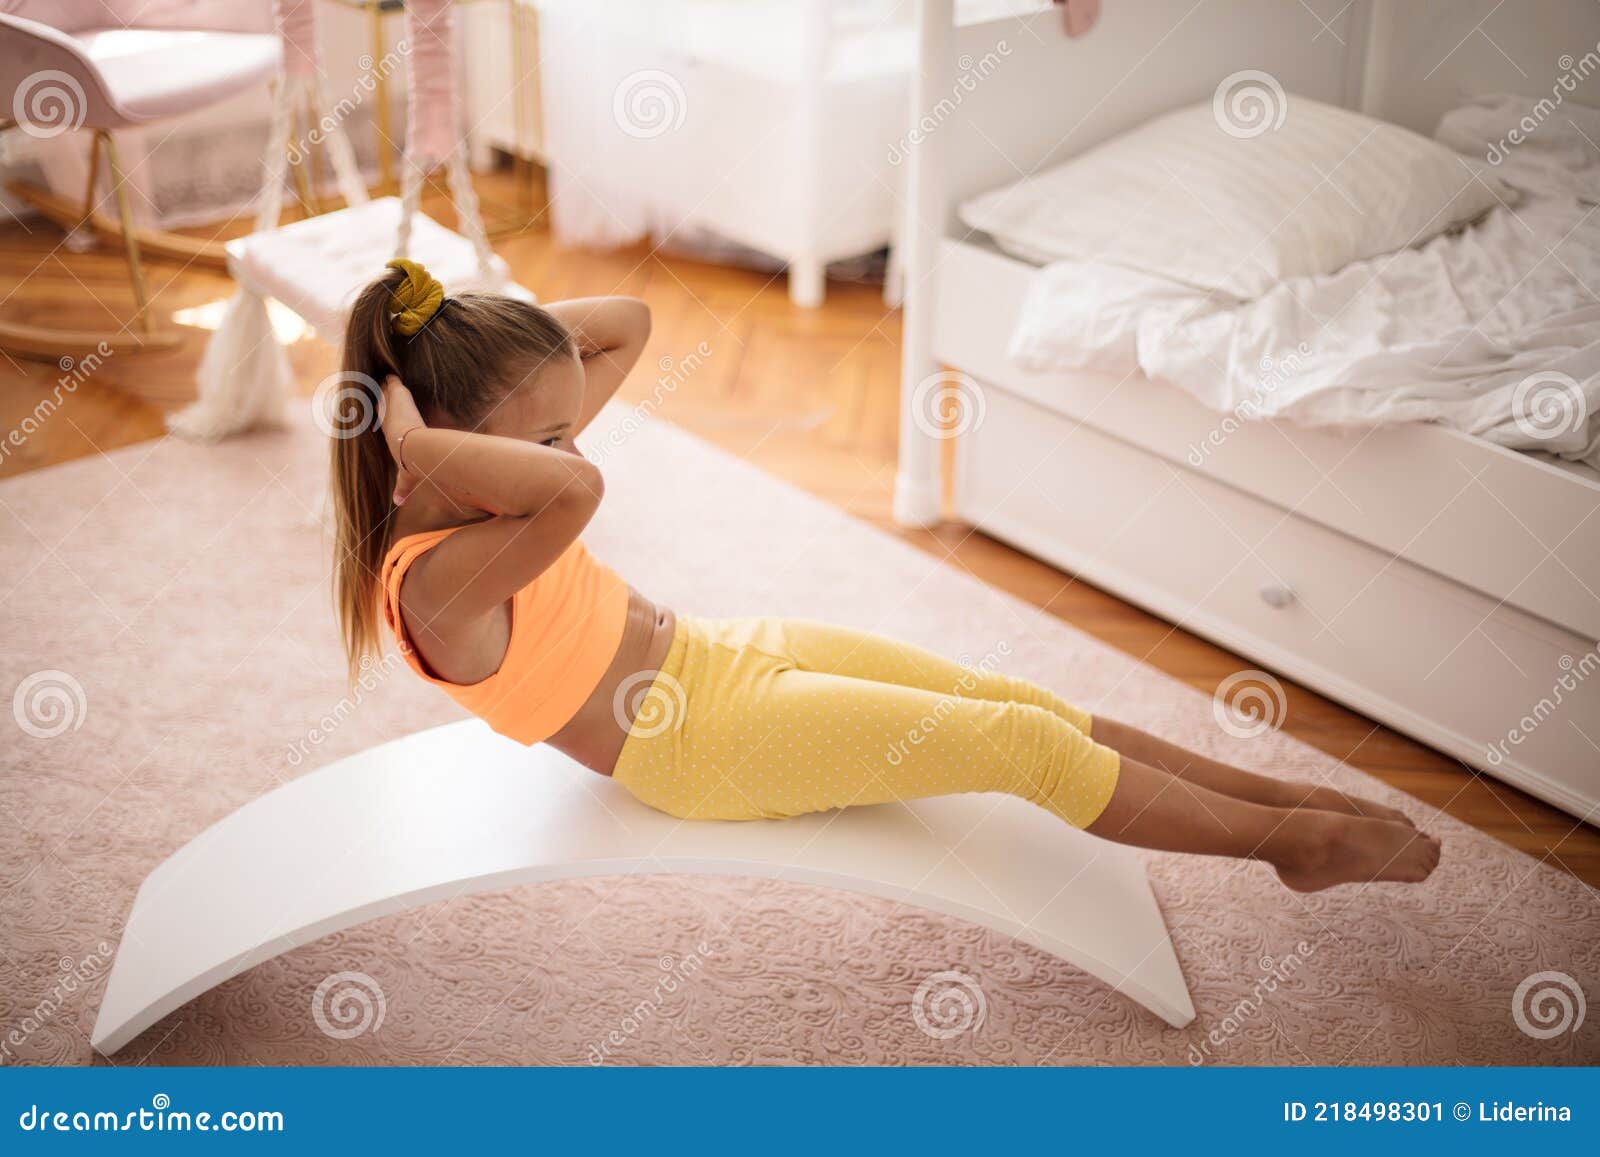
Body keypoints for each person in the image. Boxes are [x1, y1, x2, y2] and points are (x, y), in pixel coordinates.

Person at [328, 260, 1440, 893]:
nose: (572, 445)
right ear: (463, 457)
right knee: (1021, 750)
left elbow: (627, 325)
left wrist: (459, 353)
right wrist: (420, 440)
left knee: (1026, 702)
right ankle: (1291, 845)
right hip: (689, 742)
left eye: (567, 430)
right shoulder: (440, 577)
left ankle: (1273, 799)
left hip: (721, 653)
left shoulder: (513, 478)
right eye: (546, 437)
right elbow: (580, 492)